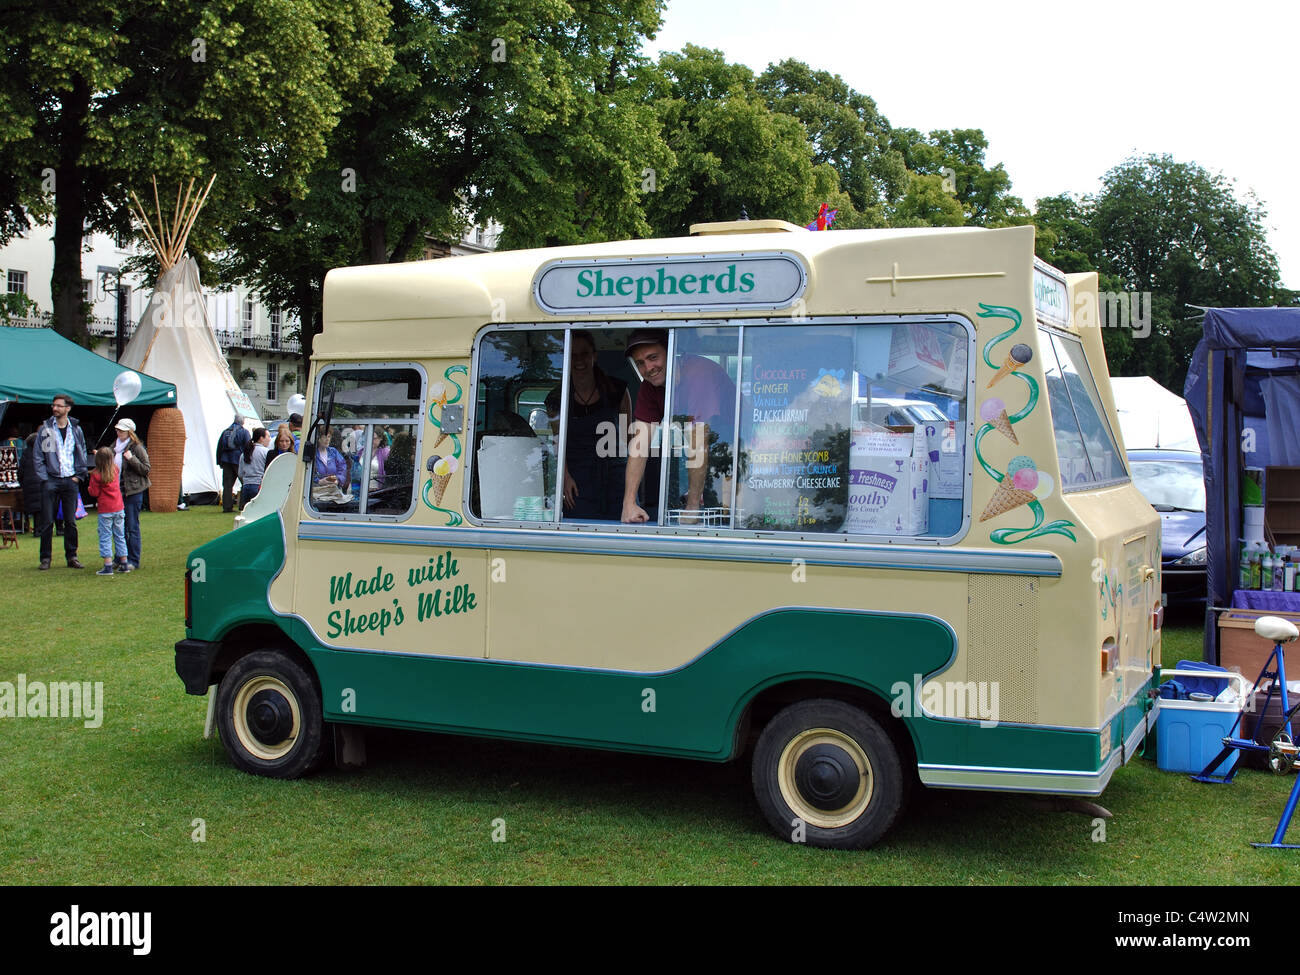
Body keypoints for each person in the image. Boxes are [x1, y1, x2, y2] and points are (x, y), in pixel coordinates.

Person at [620, 330, 735, 524]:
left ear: (671, 351)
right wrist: (629, 504)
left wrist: (692, 507)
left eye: (653, 358)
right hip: (711, 456)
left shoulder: (699, 374)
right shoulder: (649, 387)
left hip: (744, 453)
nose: (648, 368)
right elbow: (639, 445)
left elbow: (699, 442)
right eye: (640, 363)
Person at [545, 330, 631, 519]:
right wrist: (565, 478)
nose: (579, 360)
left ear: (594, 355)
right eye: (573, 355)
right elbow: (557, 442)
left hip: (616, 476)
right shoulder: (555, 398)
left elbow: (628, 439)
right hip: (577, 479)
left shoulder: (618, 390)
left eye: (584, 353)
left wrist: (631, 488)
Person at [33, 393, 89, 569]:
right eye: (53, 405)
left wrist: (78, 476)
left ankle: (72, 556)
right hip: (51, 480)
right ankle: (45, 558)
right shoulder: (47, 429)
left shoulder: (76, 429)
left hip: (70, 480)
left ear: (67, 408)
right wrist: (45, 478)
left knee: (70, 522)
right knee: (47, 521)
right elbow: (39, 456)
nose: (54, 408)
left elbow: (82, 453)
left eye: (58, 405)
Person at [112, 419, 150, 570]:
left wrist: (131, 459)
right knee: (119, 526)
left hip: (133, 491)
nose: (118, 432)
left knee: (132, 526)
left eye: (121, 430)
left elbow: (146, 469)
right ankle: (120, 557)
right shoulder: (114, 447)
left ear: (129, 432)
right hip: (118, 491)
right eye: (118, 430)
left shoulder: (137, 447)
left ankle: (133, 559)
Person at [87, 446, 130, 575]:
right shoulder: (115, 470)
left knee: (105, 536)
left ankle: (108, 565)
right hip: (118, 507)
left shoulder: (96, 474)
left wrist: (89, 488)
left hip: (105, 509)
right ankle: (124, 563)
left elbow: (94, 492)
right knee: (120, 535)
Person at [216, 415, 251, 513]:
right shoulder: (244, 432)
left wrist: (219, 461)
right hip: (238, 460)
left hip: (226, 460)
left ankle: (227, 507)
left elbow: (219, 447)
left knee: (227, 485)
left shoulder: (225, 431)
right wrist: (249, 461)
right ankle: (243, 506)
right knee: (245, 482)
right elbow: (248, 447)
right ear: (242, 421)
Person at [311, 426, 350, 502]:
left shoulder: (333, 452)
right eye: (324, 437)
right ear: (318, 438)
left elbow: (342, 467)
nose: (327, 439)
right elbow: (308, 472)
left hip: (334, 491)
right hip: (317, 493)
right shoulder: (313, 454)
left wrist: (338, 479)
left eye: (329, 436)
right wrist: (318, 481)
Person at [237, 427, 271, 509]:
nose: (270, 439)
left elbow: (240, 473)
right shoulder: (266, 452)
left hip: (246, 486)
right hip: (259, 485)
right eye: (268, 436)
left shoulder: (244, 453)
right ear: (261, 438)